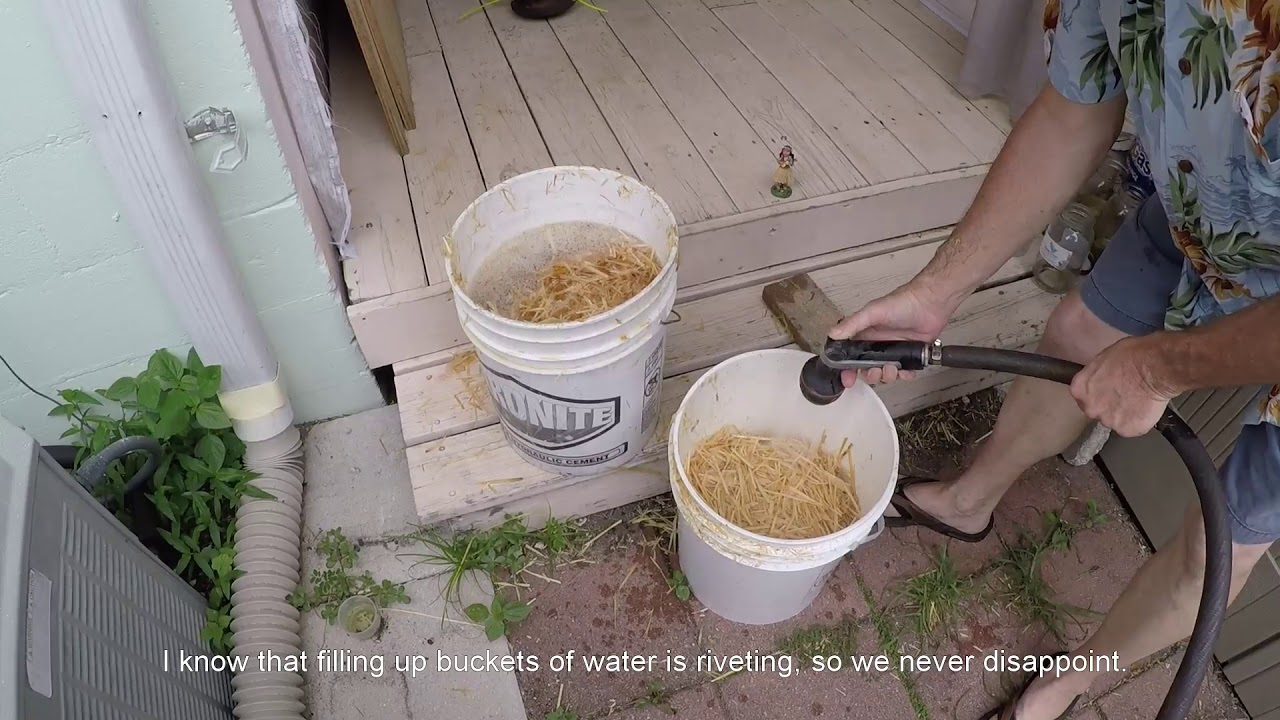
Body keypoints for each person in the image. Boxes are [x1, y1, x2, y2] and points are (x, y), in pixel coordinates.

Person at [827, 2, 1280, 719]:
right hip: (1210, 208)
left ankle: (1069, 685)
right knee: (1077, 336)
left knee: (1222, 539)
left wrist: (1160, 368)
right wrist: (935, 293)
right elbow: (1072, 113)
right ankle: (968, 505)